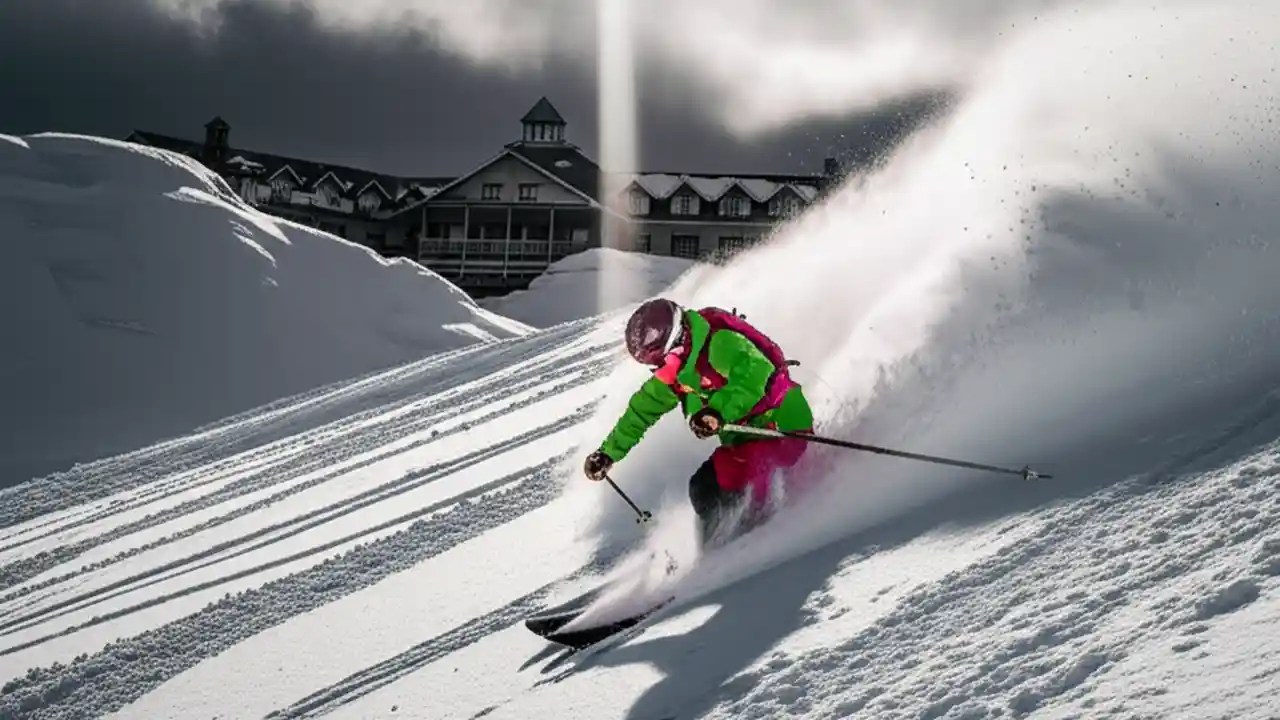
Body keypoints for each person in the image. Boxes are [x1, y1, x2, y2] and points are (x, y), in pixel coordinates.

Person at [583, 298, 815, 546]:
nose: (658, 372)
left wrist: (717, 411)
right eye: (652, 366)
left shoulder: (719, 344)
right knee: (702, 488)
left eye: (661, 363)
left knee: (746, 485)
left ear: (679, 342)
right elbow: (641, 412)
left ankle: (761, 545)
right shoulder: (678, 374)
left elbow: (755, 373)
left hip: (782, 427)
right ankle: (715, 557)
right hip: (745, 439)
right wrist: (608, 453)